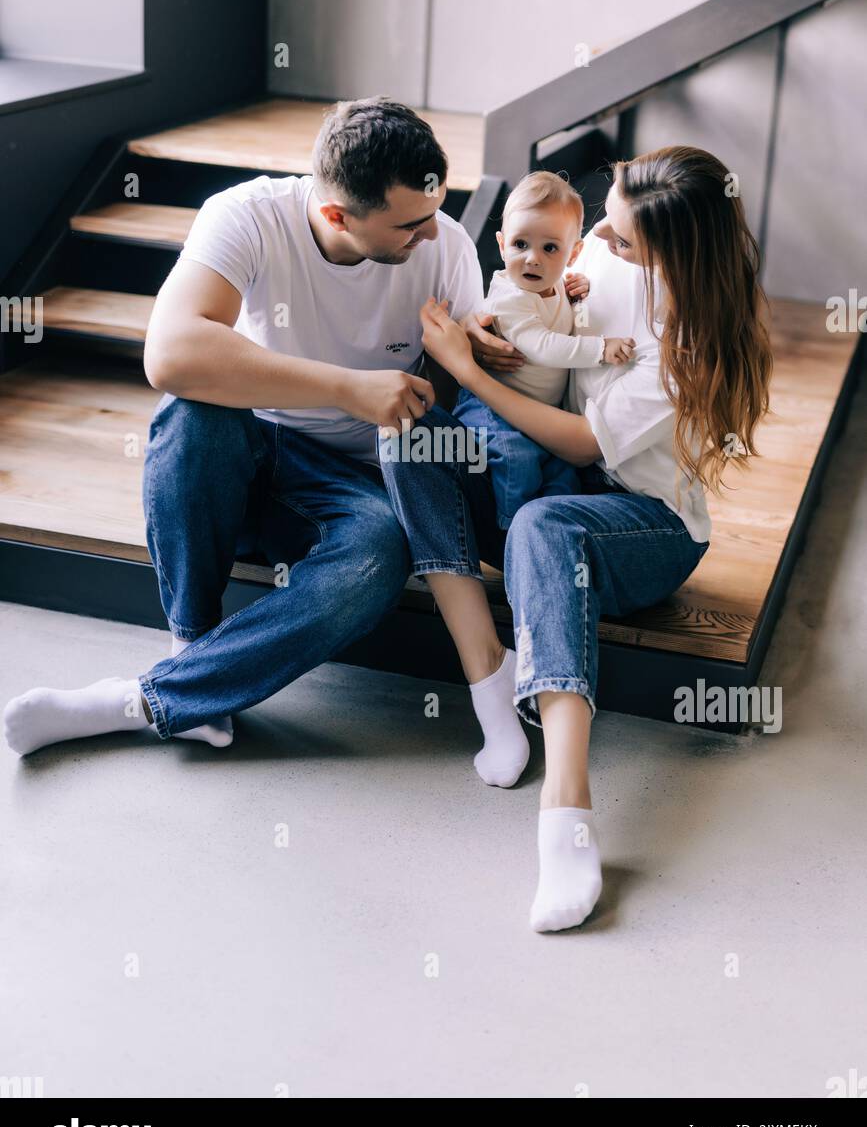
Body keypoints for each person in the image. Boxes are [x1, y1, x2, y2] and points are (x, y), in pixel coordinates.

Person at [3, 97, 497, 755]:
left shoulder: (448, 248)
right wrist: (348, 389)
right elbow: (169, 353)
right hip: (241, 456)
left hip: (346, 489)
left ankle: (158, 697)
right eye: (410, 224)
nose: (432, 233)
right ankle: (193, 647)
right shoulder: (246, 215)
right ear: (335, 215)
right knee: (191, 409)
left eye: (435, 210)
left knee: (378, 555)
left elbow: (473, 382)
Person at [378, 146, 774, 932]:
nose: (595, 236)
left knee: (541, 524)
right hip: (541, 480)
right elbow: (537, 297)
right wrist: (487, 329)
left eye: (620, 238)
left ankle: (566, 809)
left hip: (643, 524)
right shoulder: (594, 245)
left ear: (663, 254)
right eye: (603, 215)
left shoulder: (685, 340)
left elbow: (582, 445)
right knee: (407, 435)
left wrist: (470, 366)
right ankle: (490, 678)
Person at [450, 169, 635, 530]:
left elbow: (566, 316)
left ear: (573, 253)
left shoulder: (554, 287)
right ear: (502, 244)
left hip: (536, 413)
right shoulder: (510, 299)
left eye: (550, 248)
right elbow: (544, 347)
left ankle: (544, 527)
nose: (533, 258)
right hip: (492, 407)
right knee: (514, 457)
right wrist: (600, 349)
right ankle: (509, 528)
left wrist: (578, 290)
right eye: (520, 245)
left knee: (563, 474)